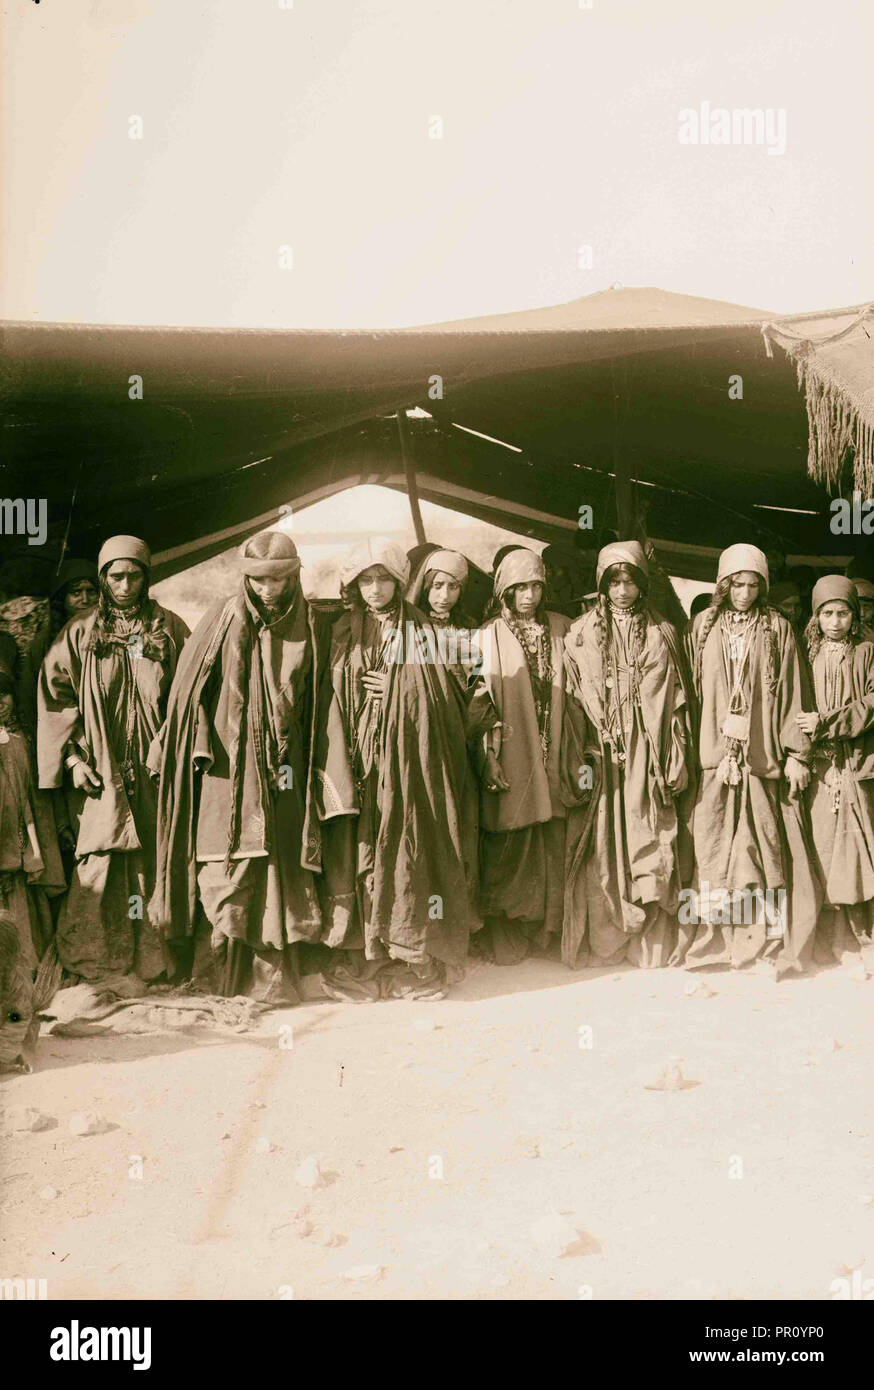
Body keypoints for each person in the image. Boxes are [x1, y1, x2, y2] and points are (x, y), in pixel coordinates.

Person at [149, 531, 347, 1000]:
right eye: (258, 580)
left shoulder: (312, 624)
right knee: (229, 863)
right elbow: (187, 693)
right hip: (227, 768)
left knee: (281, 862)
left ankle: (276, 979)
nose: (268, 589)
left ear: (293, 576)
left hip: (287, 767)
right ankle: (222, 973)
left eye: (279, 579)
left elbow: (323, 696)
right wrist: (192, 748)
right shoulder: (221, 619)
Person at [323, 537, 491, 998]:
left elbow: (447, 701)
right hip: (360, 760)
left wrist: (397, 688)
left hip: (414, 767)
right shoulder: (341, 630)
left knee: (409, 849)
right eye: (366, 579)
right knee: (363, 851)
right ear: (354, 584)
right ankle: (366, 950)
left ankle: (412, 951)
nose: (375, 588)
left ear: (399, 582)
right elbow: (331, 695)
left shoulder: (424, 632)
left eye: (383, 579)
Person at [37, 536, 189, 983]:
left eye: (133, 575)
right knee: (103, 855)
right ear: (104, 579)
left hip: (156, 763)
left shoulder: (170, 627)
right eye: (115, 576)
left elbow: (192, 693)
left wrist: (171, 744)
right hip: (100, 765)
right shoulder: (81, 632)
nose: (124, 586)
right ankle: (99, 959)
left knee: (153, 854)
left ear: (147, 577)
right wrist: (71, 761)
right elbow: (55, 698)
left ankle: (155, 960)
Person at [683, 543, 821, 976]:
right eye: (735, 584)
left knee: (764, 848)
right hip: (714, 761)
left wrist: (797, 753)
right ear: (722, 585)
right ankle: (715, 942)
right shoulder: (702, 626)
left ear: (762, 586)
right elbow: (689, 696)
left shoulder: (777, 628)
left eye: (752, 584)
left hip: (762, 759)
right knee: (712, 849)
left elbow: (794, 691)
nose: (743, 592)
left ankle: (765, 939)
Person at [563, 541, 695, 968]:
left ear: (642, 585)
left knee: (650, 835)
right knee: (603, 842)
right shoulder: (579, 632)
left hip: (645, 749)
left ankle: (650, 939)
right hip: (600, 751)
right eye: (614, 581)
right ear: (602, 584)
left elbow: (674, 701)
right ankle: (608, 939)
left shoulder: (661, 632)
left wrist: (671, 753)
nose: (622, 590)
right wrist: (586, 749)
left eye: (630, 581)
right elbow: (573, 698)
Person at [476, 547, 592, 964]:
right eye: (519, 587)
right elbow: (480, 699)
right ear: (504, 591)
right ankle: (510, 935)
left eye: (535, 587)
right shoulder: (486, 635)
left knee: (554, 838)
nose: (528, 596)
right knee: (513, 839)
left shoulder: (563, 628)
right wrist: (489, 754)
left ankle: (549, 933)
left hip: (557, 746)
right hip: (513, 749)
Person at [797, 576, 874, 972]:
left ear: (854, 615)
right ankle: (826, 939)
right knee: (821, 850)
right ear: (816, 616)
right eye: (827, 613)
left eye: (843, 613)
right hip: (819, 768)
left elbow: (871, 704)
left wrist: (828, 722)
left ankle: (858, 937)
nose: (835, 621)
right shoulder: (804, 655)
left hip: (856, 765)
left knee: (857, 851)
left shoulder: (866, 652)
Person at [0, 634, 64, 973]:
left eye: (3, 694)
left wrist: (33, 851)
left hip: (16, 848)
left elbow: (26, 800)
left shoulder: (17, 742)